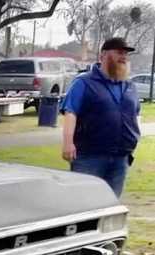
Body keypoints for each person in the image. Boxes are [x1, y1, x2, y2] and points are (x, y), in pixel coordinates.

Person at [60, 37, 140, 198]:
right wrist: (68, 143)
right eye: (119, 52)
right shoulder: (84, 82)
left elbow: (135, 115)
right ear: (103, 55)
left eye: (126, 54)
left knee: (111, 204)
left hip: (121, 157)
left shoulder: (129, 86)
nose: (123, 57)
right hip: (90, 156)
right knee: (85, 201)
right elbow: (70, 112)